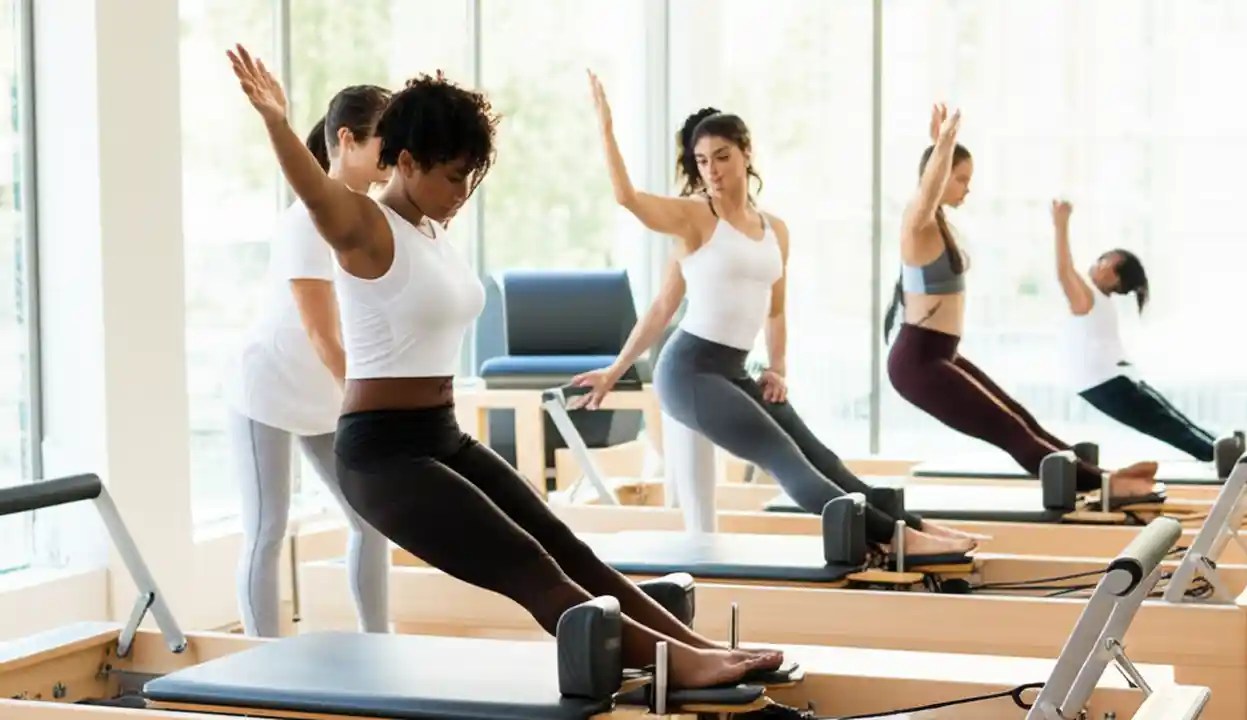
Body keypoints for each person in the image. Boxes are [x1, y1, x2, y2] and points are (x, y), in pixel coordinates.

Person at [227, 45, 781, 689]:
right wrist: (276, 124)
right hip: (384, 456)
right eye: (452, 176)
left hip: (443, 436)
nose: (463, 193)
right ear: (405, 162)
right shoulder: (366, 226)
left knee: (566, 546)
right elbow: (317, 193)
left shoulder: (430, 228)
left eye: (471, 177)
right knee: (529, 567)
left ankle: (692, 644)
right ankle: (677, 665)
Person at [586, 82, 978, 562]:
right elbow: (638, 235)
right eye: (703, 160)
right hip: (688, 371)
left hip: (736, 370)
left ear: (746, 154)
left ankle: (910, 526)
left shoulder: (775, 230)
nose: (711, 170)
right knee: (783, 458)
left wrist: (779, 367)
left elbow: (775, 309)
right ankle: (896, 540)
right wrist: (616, 368)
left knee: (821, 456)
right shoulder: (693, 218)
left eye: (722, 157)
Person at [882, 104, 1158, 499]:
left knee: (1022, 418)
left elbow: (933, 187)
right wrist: (943, 145)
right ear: (939, 178)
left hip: (941, 354)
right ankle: (1105, 486)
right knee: (1009, 431)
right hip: (918, 362)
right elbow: (927, 191)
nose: (967, 188)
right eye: (961, 179)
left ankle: (1097, 475)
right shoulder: (917, 221)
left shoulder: (935, 222)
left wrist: (940, 149)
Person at [225, 85, 392, 637]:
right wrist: (371, 407)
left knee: (371, 521)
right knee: (268, 528)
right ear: (346, 140)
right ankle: (262, 662)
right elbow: (322, 337)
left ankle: (379, 643)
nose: (394, 160)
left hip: (324, 396)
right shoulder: (307, 221)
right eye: (384, 146)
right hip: (269, 389)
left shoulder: (371, 216)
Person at [1051, 199, 1217, 461]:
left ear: (1115, 278)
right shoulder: (1095, 298)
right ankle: (1231, 456)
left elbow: (1063, 271)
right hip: (1110, 382)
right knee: (1175, 427)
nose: (1098, 261)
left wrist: (1061, 225)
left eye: (1105, 261)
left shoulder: (1089, 297)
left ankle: (1233, 458)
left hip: (1110, 383)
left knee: (1176, 428)